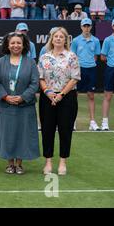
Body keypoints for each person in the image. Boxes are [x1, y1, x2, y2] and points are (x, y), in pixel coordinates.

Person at [0, 32, 40, 174]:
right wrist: (5, 97)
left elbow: (35, 83)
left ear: (24, 45)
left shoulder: (30, 62)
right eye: (12, 43)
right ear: (7, 45)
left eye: (18, 43)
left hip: (24, 106)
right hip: (5, 106)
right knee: (7, 134)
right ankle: (9, 163)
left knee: (22, 134)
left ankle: (19, 164)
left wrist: (23, 97)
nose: (15, 45)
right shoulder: (0, 62)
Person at [38, 27, 80, 175]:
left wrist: (61, 94)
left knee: (65, 130)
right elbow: (41, 78)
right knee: (47, 130)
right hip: (47, 97)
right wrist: (48, 92)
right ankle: (48, 161)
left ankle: (63, 162)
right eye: (56, 36)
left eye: (61, 37)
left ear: (65, 40)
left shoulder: (72, 56)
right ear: (52, 39)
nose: (58, 39)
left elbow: (74, 78)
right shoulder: (44, 57)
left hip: (67, 97)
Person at [71, 18, 101, 131]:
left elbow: (96, 56)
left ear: (91, 27)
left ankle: (92, 122)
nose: (86, 28)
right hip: (79, 70)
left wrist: (90, 64)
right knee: (74, 96)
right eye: (85, 26)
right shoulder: (76, 40)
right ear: (81, 27)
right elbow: (73, 57)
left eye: (88, 26)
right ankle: (72, 122)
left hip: (91, 70)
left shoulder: (96, 40)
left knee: (91, 95)